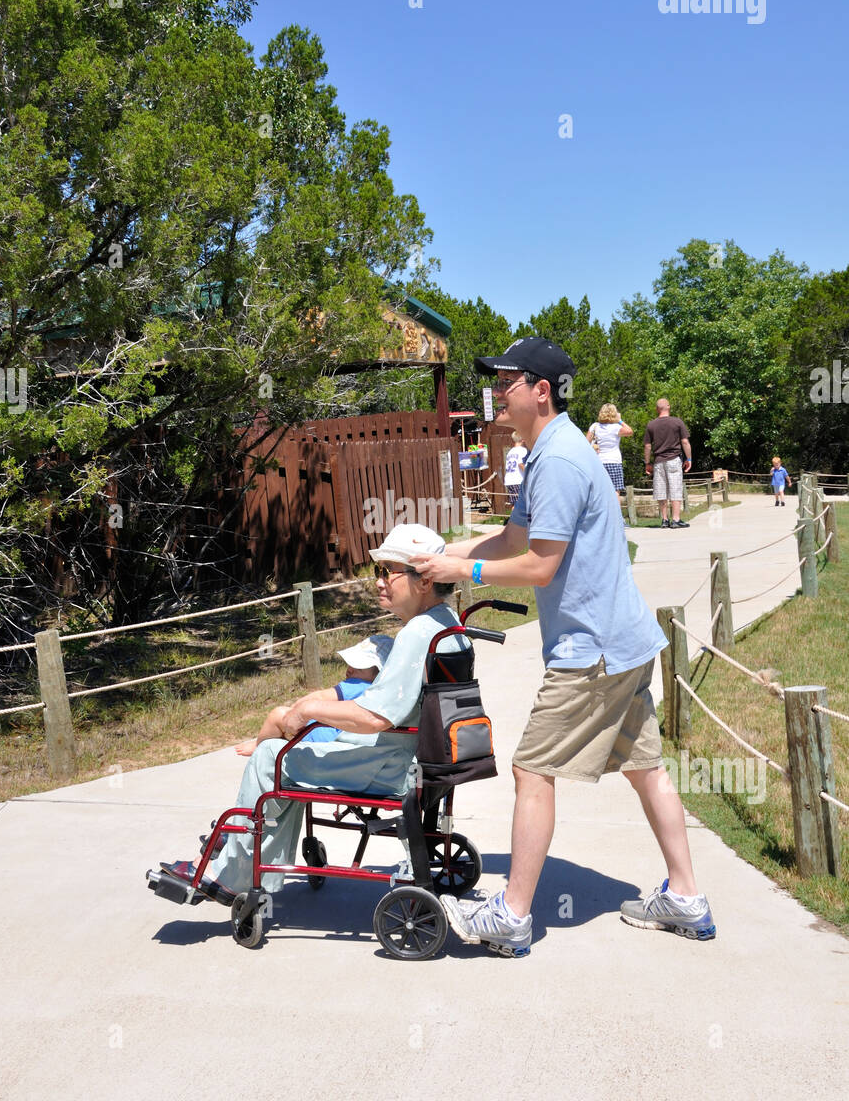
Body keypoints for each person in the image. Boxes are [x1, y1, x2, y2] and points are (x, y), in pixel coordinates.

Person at [412, 336, 715, 957]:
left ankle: (513, 914)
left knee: (532, 769)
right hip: (624, 644)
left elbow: (538, 567)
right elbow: (511, 539)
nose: (496, 391)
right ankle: (685, 896)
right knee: (646, 766)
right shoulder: (550, 450)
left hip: (593, 651)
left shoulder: (559, 461)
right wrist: (439, 557)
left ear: (540, 390)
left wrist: (462, 575)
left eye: (506, 381)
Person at [158, 525, 469, 897]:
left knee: (270, 756)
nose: (379, 582)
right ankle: (246, 866)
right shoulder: (450, 627)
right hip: (416, 759)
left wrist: (310, 709)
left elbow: (376, 718)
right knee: (289, 761)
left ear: (424, 581)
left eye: (387, 571)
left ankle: (230, 873)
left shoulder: (416, 634)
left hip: (388, 766)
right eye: (378, 572)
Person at [234, 634, 394, 756]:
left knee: (278, 715)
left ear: (378, 674)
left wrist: (295, 710)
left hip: (326, 739)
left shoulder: (357, 685)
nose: (350, 669)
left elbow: (321, 697)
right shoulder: (386, 693)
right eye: (350, 664)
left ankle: (258, 745)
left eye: (358, 667)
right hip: (354, 742)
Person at [643, 398, 692, 528]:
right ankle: (676, 519)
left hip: (658, 461)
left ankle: (664, 520)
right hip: (674, 459)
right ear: (669, 407)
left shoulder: (651, 425)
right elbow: (685, 442)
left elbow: (647, 446)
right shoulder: (677, 422)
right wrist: (689, 459)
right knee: (675, 488)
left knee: (661, 490)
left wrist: (648, 463)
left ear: (657, 409)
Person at [585, 403, 634, 508]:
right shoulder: (616, 427)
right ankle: (617, 518)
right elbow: (630, 431)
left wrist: (594, 447)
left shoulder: (595, 426)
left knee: (600, 491)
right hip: (614, 461)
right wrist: (620, 420)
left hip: (599, 462)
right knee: (616, 490)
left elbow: (586, 444)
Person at [504, 431, 527, 508]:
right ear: (523, 439)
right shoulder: (523, 451)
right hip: (518, 480)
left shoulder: (510, 452)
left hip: (509, 480)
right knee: (521, 504)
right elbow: (521, 464)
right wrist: (529, 474)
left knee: (514, 504)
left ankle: (513, 519)